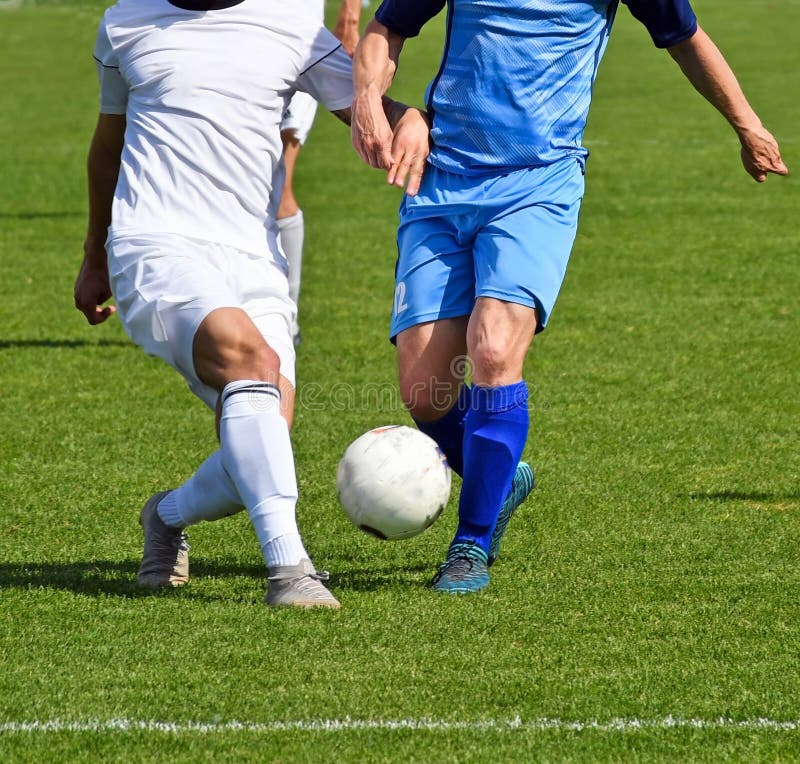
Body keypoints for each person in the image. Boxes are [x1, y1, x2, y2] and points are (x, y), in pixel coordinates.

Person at [351, 0, 788, 595]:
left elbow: (684, 36)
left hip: (538, 184)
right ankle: (501, 475)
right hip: (442, 176)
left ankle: (470, 544)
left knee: (494, 349)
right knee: (424, 392)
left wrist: (747, 124)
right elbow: (388, 27)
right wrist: (371, 104)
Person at [73, 0, 415, 609]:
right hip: (154, 245)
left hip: (255, 259)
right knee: (248, 358)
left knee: (262, 439)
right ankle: (291, 571)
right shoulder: (124, 22)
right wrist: (95, 256)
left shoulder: (290, 25)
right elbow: (108, 146)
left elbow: (371, 115)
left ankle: (167, 514)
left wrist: (410, 119)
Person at [275, 0, 363, 346]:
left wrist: (350, 17)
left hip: (300, 39)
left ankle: (286, 316)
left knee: (277, 185)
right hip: (230, 38)